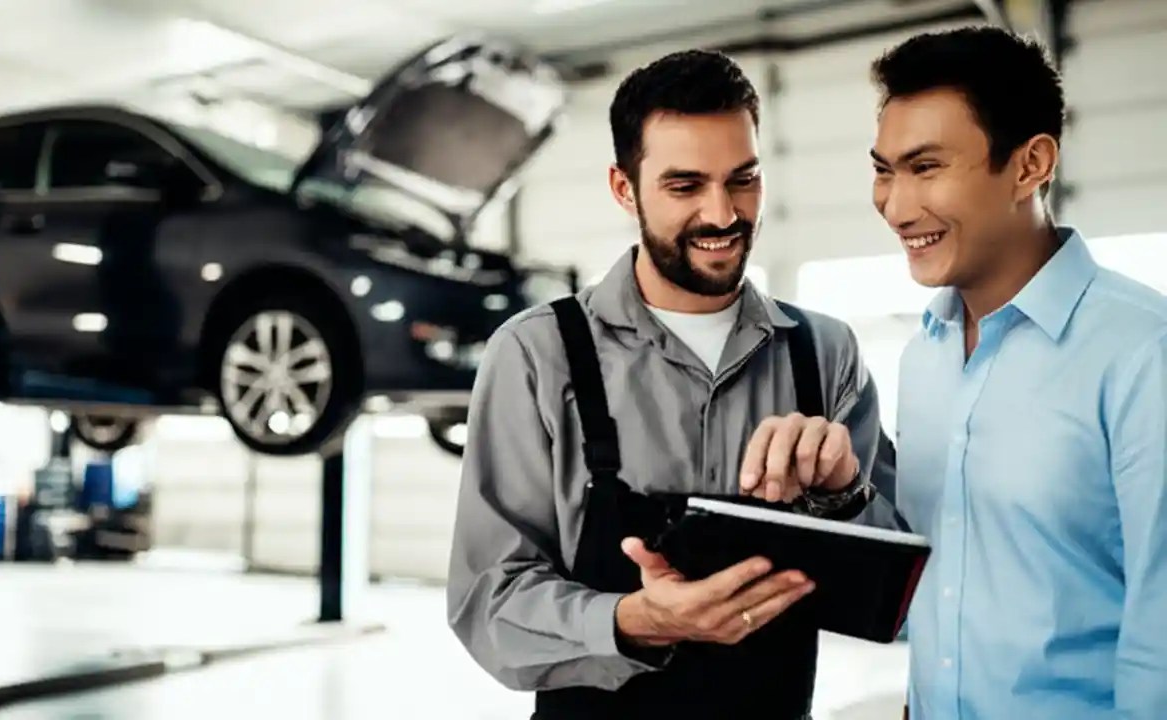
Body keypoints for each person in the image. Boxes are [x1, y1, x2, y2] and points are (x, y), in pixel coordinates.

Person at [446, 49, 898, 720]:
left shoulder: (823, 354)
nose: (722, 214)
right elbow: (489, 603)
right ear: (624, 188)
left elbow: (895, 591)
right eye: (685, 187)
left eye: (742, 180)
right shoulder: (538, 355)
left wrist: (844, 492)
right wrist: (636, 619)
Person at [867, 26, 1167, 719]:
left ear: (1030, 165)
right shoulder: (925, 357)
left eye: (927, 167)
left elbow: (1160, 638)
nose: (896, 205)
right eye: (885, 169)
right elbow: (939, 598)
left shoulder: (1141, 353)